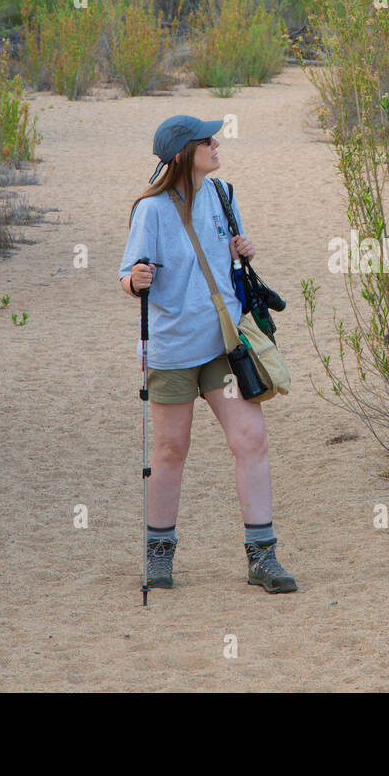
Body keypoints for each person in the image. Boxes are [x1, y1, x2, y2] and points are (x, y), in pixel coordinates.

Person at [118, 115, 296, 594]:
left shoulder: (223, 195)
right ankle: (159, 556)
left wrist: (245, 250)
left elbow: (229, 259)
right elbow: (126, 275)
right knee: (171, 450)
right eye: (206, 140)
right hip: (172, 349)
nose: (218, 143)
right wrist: (135, 279)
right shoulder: (150, 211)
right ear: (183, 153)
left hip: (225, 344)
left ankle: (263, 558)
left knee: (251, 438)